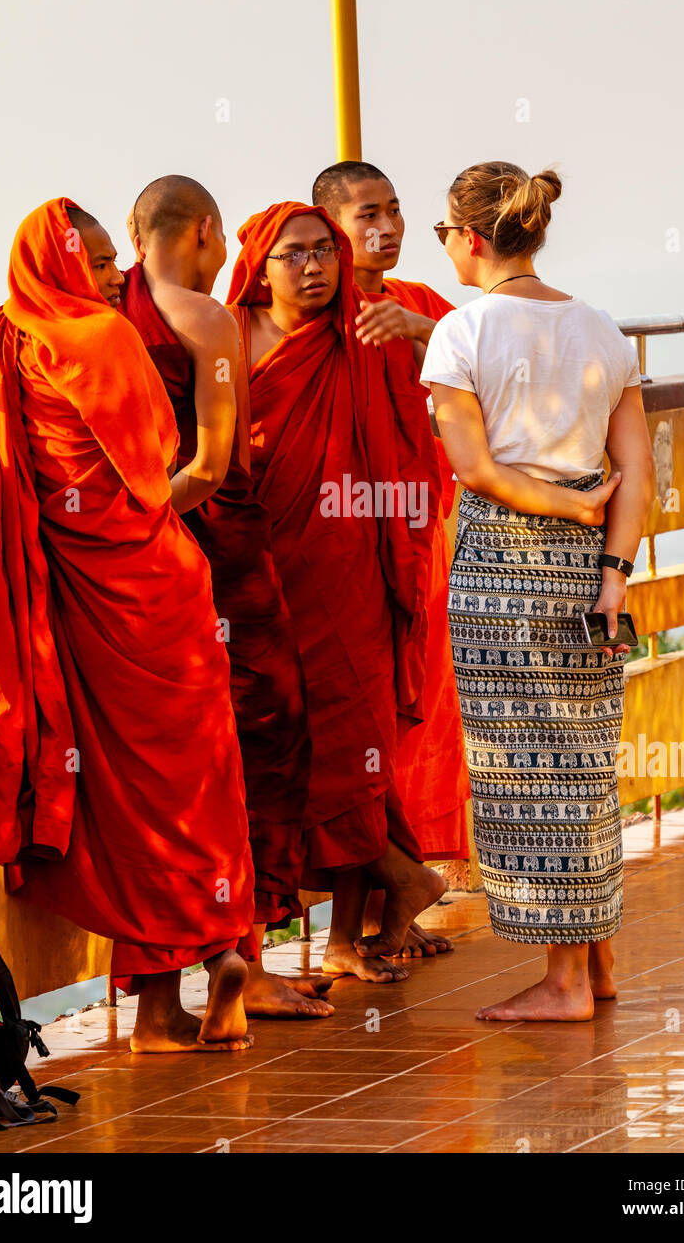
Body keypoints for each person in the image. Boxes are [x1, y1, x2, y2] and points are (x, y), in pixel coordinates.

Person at [0, 198, 256, 1052]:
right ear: (61, 262)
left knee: (131, 801)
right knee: (195, 780)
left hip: (85, 598)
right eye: (96, 263)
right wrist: (137, 526)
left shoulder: (5, 338)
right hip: (159, 583)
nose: (111, 278)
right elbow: (153, 466)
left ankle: (169, 998)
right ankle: (210, 956)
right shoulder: (100, 338)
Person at [420, 161, 653, 1021]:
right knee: (585, 765)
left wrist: (560, 501)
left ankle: (562, 985)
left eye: (442, 231)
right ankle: (597, 963)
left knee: (528, 777)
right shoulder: (599, 328)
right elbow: (637, 473)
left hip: (504, 571)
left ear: (472, 237)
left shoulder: (461, 332)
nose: (443, 246)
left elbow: (475, 470)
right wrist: (612, 571)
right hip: (592, 568)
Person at [121, 175, 331, 1019]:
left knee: (187, 768)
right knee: (266, 741)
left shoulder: (108, 319)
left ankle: (202, 969)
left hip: (147, 575)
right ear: (207, 231)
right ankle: (249, 954)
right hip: (223, 552)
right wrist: (146, 518)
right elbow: (212, 467)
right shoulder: (206, 319)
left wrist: (119, 528)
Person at [226, 201, 447, 983]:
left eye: (325, 250)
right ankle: (386, 886)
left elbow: (484, 363)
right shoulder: (231, 336)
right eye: (295, 255)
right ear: (260, 264)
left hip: (354, 560)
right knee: (271, 747)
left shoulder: (366, 328)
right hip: (261, 567)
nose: (315, 266)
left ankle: (346, 937)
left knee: (357, 741)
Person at [312, 160, 469, 956]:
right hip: (338, 548)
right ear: (330, 229)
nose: (389, 227)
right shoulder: (312, 311)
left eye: (397, 210)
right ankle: (370, 909)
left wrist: (426, 338)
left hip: (416, 538)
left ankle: (390, 907)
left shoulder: (419, 308)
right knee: (354, 730)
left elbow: (492, 384)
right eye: (368, 213)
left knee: (409, 720)